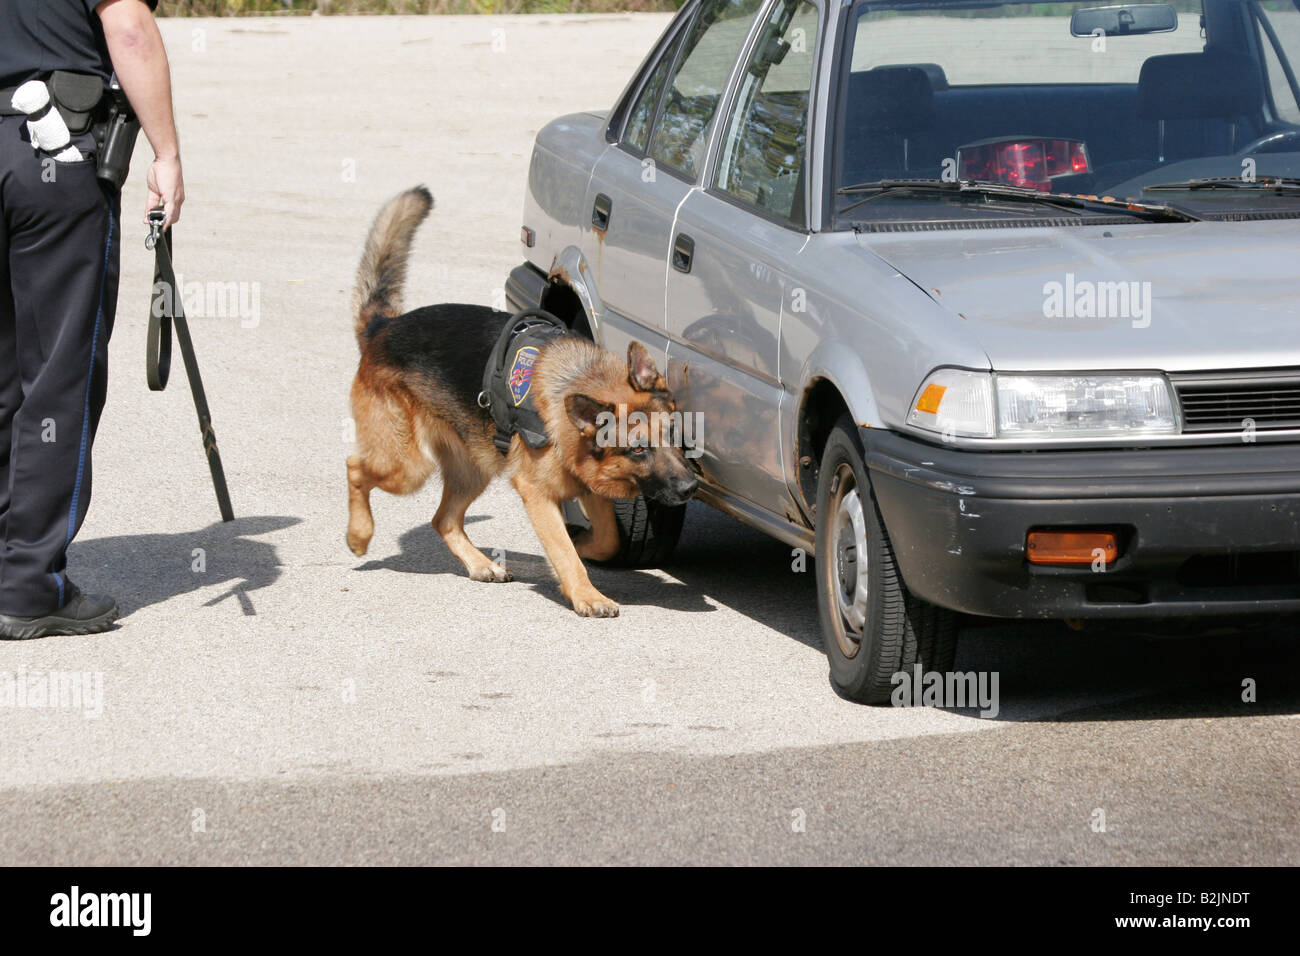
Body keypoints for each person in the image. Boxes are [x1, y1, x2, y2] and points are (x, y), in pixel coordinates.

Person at [0, 0, 184, 639]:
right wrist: (167, 154)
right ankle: (27, 586)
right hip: (53, 152)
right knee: (59, 375)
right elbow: (128, 25)